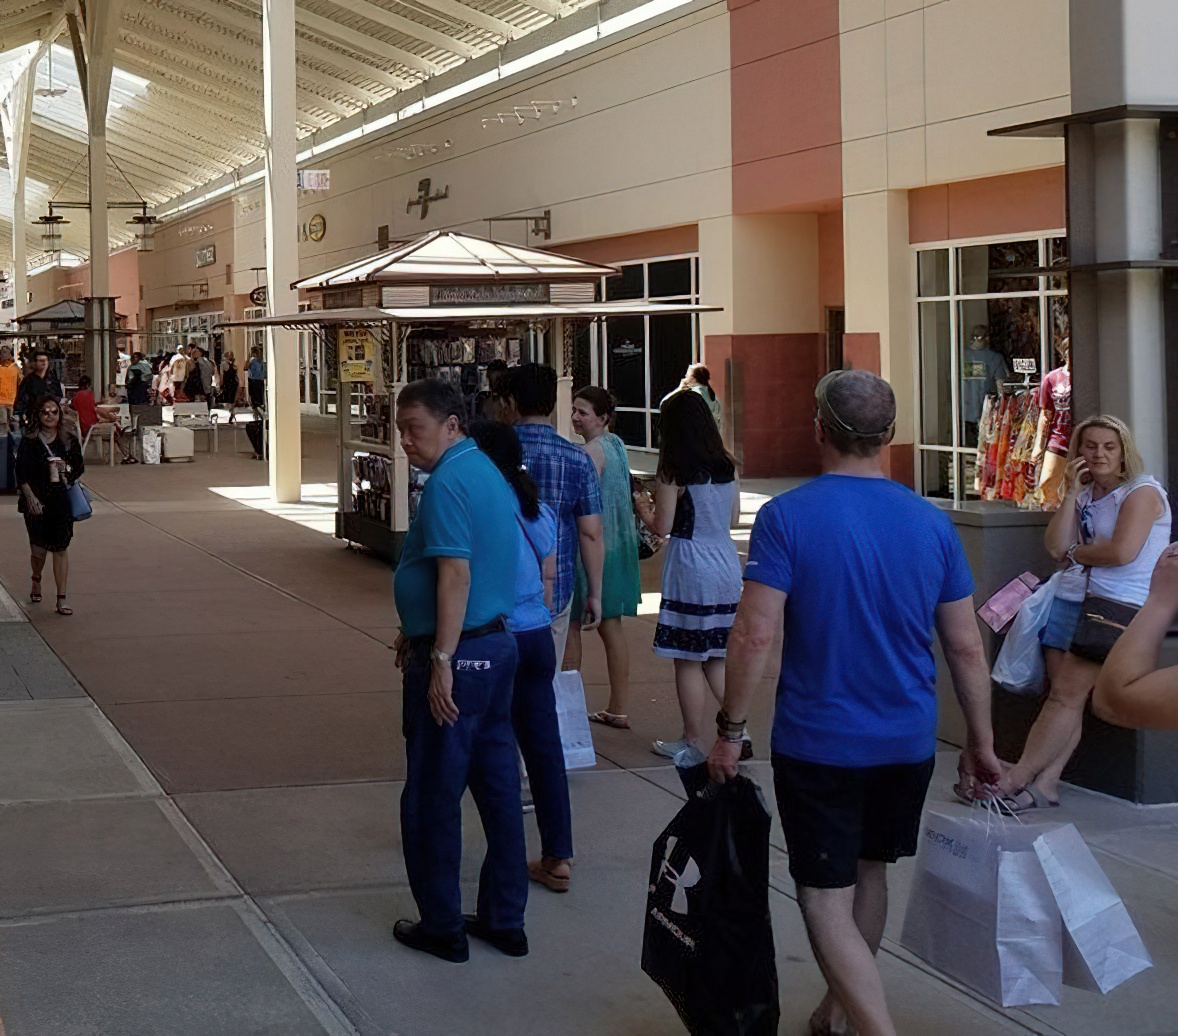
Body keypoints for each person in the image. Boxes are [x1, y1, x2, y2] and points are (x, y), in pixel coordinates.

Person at [707, 369, 1002, 1036]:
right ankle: (837, 1013)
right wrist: (980, 743)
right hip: (906, 740)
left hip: (820, 742)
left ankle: (874, 1028)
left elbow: (755, 631)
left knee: (821, 894)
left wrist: (731, 727)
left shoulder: (787, 517)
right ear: (890, 436)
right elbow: (965, 647)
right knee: (870, 873)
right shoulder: (931, 523)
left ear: (819, 430)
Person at [391, 379, 528, 964]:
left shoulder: (447, 481)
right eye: (399, 431)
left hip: (462, 657)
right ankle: (505, 918)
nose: (404, 443)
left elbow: (455, 574)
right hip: (496, 649)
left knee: (431, 796)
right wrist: (417, 626)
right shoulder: (483, 470)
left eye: (414, 430)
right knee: (499, 792)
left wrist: (440, 656)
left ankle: (442, 925)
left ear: (451, 425)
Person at [973, 415, 1171, 812]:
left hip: (1117, 605)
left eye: (1109, 447)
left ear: (1123, 453)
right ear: (1078, 451)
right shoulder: (1084, 494)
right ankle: (1046, 784)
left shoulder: (1142, 491)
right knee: (1067, 697)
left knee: (1065, 697)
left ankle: (1014, 779)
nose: (1099, 454)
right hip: (1070, 598)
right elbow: (1053, 546)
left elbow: (1121, 552)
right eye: (1090, 445)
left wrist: (1076, 554)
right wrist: (1067, 495)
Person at [470, 420, 575, 895]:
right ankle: (558, 855)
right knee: (544, 748)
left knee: (482, 746)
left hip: (497, 635)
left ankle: (490, 850)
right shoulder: (539, 509)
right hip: (537, 634)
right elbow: (549, 575)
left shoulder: (481, 506)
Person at [636, 389, 742, 757]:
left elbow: (661, 526)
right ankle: (736, 732)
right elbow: (734, 519)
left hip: (691, 564)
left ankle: (694, 740)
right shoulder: (727, 464)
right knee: (716, 653)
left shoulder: (672, 468)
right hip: (726, 562)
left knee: (687, 656)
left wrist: (641, 508)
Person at [499, 364, 604, 668]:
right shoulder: (576, 458)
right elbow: (591, 532)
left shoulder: (493, 453)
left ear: (512, 401)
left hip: (500, 588)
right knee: (546, 680)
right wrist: (595, 593)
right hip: (556, 588)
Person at [564, 387, 641, 728]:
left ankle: (567, 708)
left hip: (594, 550)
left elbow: (579, 500)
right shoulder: (617, 445)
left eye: (582, 412)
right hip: (619, 546)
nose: (575, 417)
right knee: (612, 629)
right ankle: (619, 706)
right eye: (574, 410)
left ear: (602, 417)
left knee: (572, 626)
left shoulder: (591, 452)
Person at [16, 397, 86, 617]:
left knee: (61, 548)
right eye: (45, 412)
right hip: (36, 498)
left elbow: (79, 467)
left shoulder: (68, 440)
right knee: (38, 549)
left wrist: (66, 469)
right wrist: (30, 497)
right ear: (38, 415)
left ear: (59, 414)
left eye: (54, 412)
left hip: (60, 498)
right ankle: (36, 579)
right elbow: (20, 472)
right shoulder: (30, 441)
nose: (49, 416)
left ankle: (61, 599)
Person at [1031, 336, 1072, 510]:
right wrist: (1039, 445)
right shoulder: (1053, 378)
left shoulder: (1089, 377)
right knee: (1048, 489)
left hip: (1084, 439)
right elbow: (1046, 413)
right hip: (1059, 438)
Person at [72, 376, 135, 463]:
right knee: (115, 429)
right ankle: (126, 454)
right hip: (91, 426)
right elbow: (94, 410)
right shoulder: (88, 394)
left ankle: (124, 454)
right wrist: (109, 418)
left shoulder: (77, 396)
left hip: (84, 425)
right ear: (88, 385)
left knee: (113, 424)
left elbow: (88, 407)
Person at [14, 349, 65, 426]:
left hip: (52, 421)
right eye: (40, 361)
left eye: (45, 360)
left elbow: (59, 397)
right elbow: (21, 401)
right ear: (34, 363)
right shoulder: (29, 381)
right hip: (34, 421)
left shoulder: (53, 381)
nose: (44, 363)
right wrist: (19, 415)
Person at [0, 345, 18, 432]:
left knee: (14, 425)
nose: (3, 355)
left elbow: (20, 383)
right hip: (1, 403)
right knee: (3, 427)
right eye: (1, 352)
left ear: (10, 354)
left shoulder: (15, 368)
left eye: (5, 352)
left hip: (13, 402)